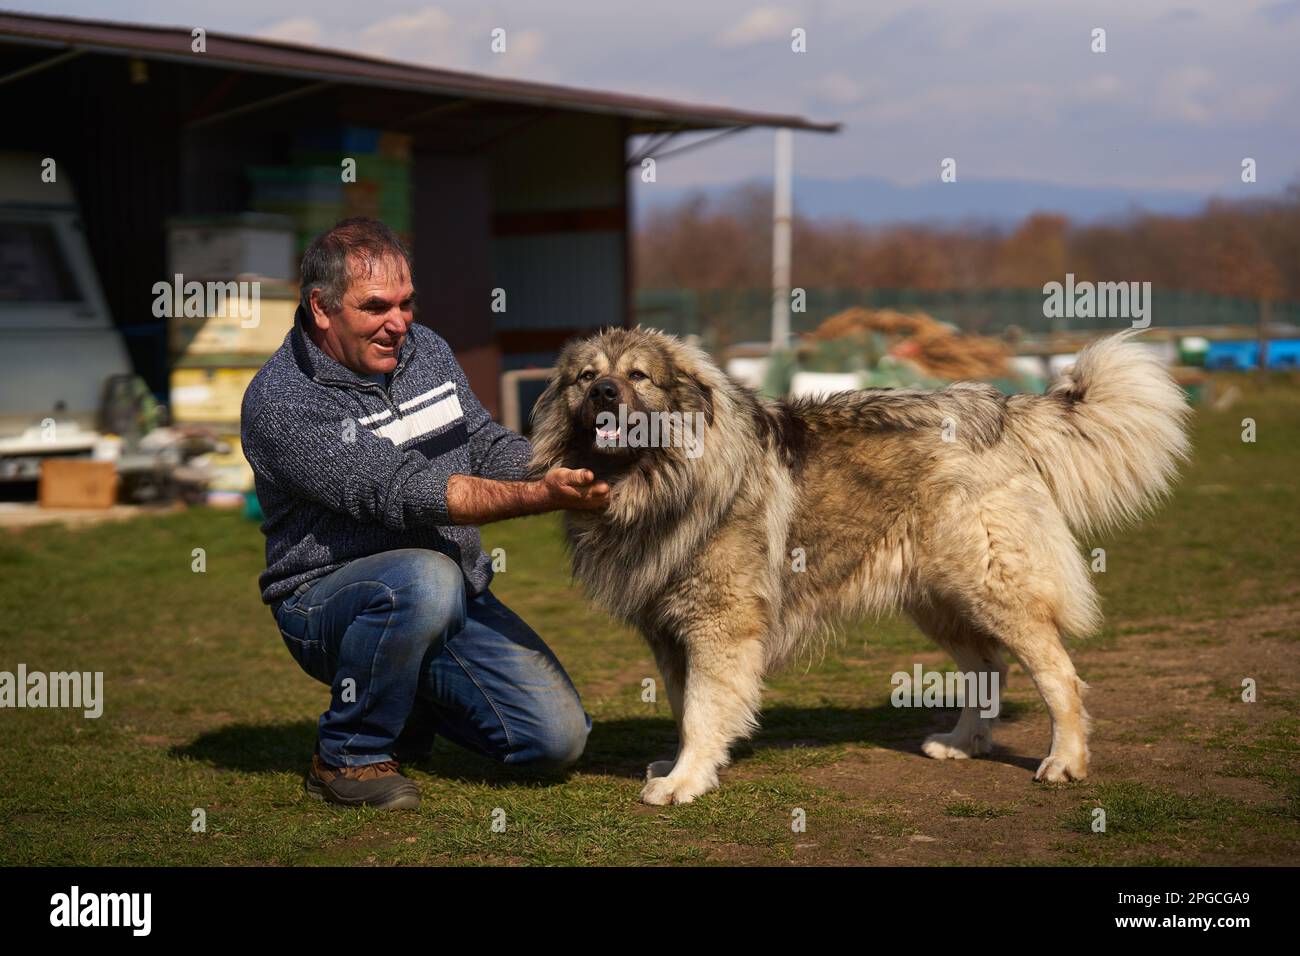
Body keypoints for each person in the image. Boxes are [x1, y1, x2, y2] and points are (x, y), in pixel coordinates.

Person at [240, 217, 609, 810]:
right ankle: (348, 758)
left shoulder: (426, 349)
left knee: (556, 742)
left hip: (450, 593)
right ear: (320, 308)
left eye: (407, 303)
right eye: (376, 307)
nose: (398, 324)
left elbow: (483, 443)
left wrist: (566, 466)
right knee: (422, 577)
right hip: (326, 604)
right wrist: (545, 497)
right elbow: (407, 492)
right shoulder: (284, 403)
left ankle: (405, 700)